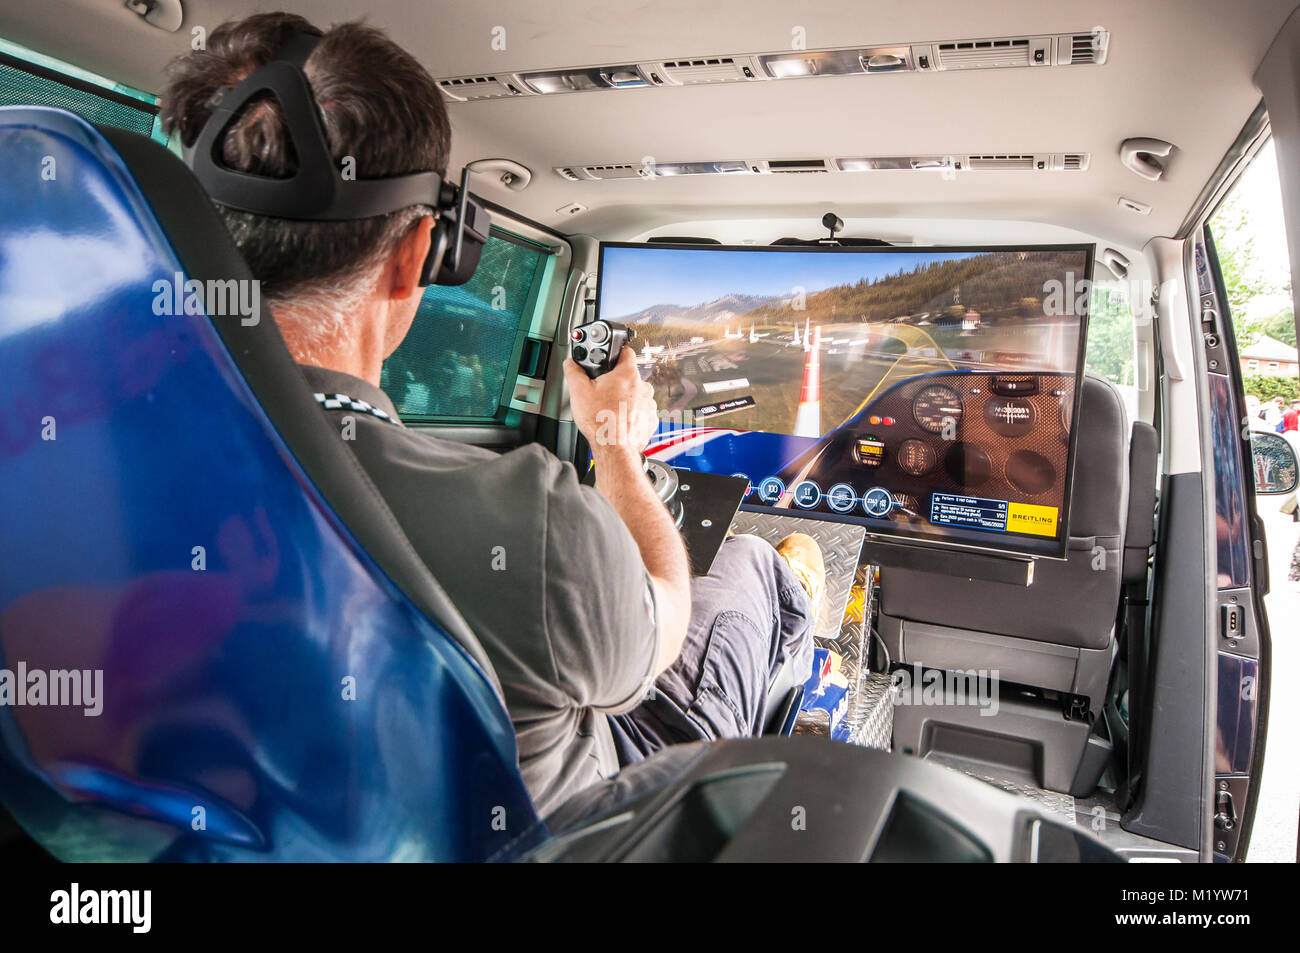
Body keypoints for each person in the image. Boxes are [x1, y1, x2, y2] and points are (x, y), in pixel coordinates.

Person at [160, 12, 819, 817]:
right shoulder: (528, 520)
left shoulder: (70, 466)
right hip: (594, 810)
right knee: (750, 567)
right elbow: (666, 627)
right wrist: (616, 447)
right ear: (417, 257)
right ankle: (802, 596)